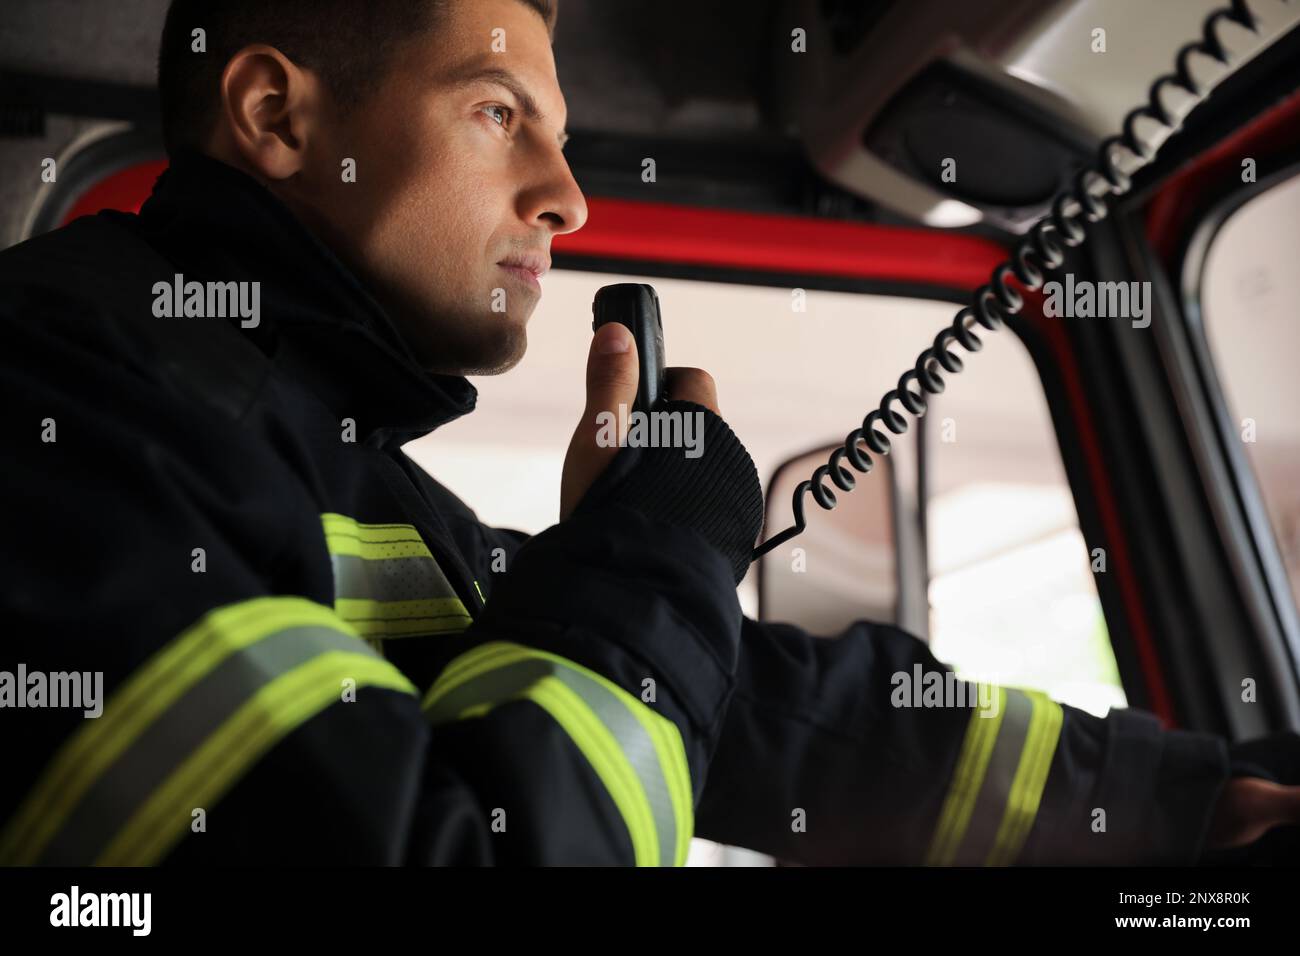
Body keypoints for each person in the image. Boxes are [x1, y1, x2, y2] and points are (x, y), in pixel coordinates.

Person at [1, 0, 1297, 866]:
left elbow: (761, 710)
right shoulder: (62, 399)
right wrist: (658, 545)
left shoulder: (341, 471)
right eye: (500, 113)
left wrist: (1170, 802)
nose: (567, 199)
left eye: (561, 139)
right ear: (279, 118)